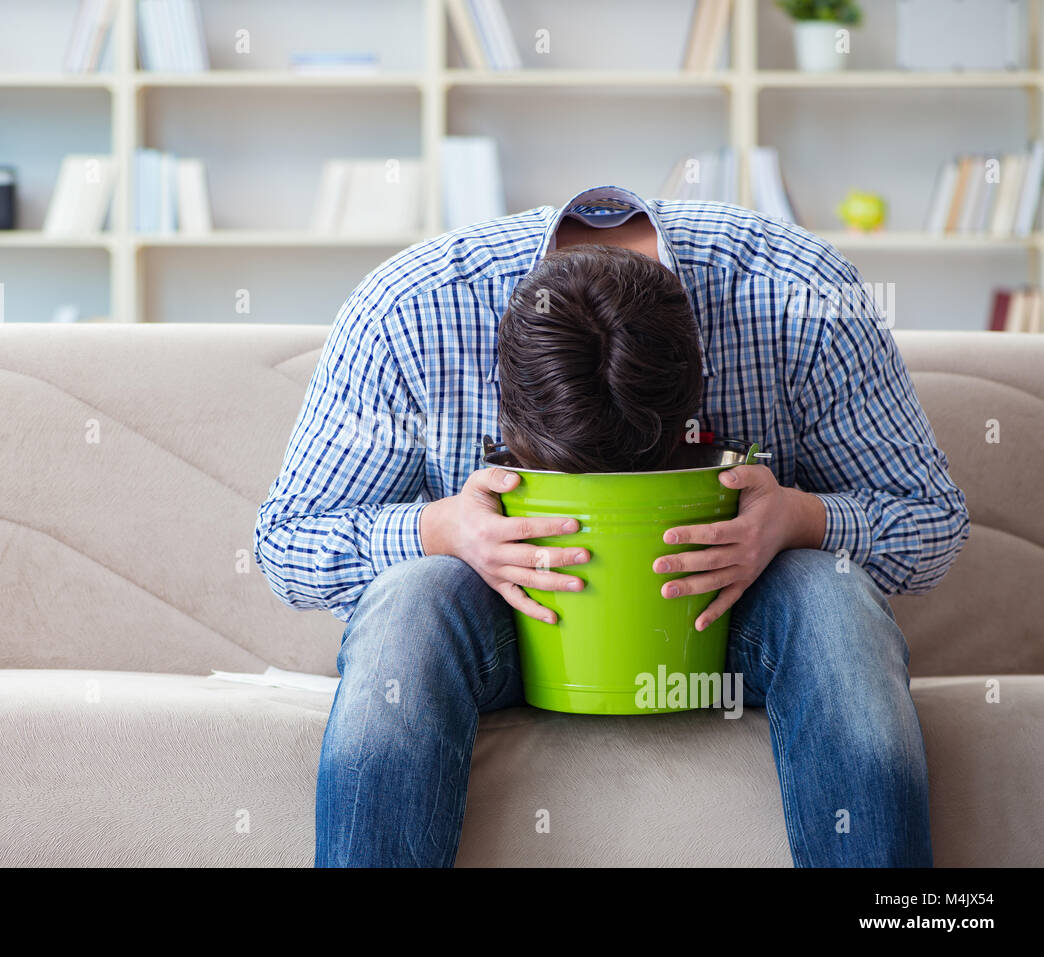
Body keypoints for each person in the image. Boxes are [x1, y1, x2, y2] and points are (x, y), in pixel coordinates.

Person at [254, 184, 970, 867]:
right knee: (412, 598)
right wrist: (444, 529)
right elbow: (287, 541)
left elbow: (934, 518)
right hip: (510, 630)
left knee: (830, 593)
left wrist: (799, 515)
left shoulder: (802, 297)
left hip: (727, 625)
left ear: (699, 375)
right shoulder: (408, 311)